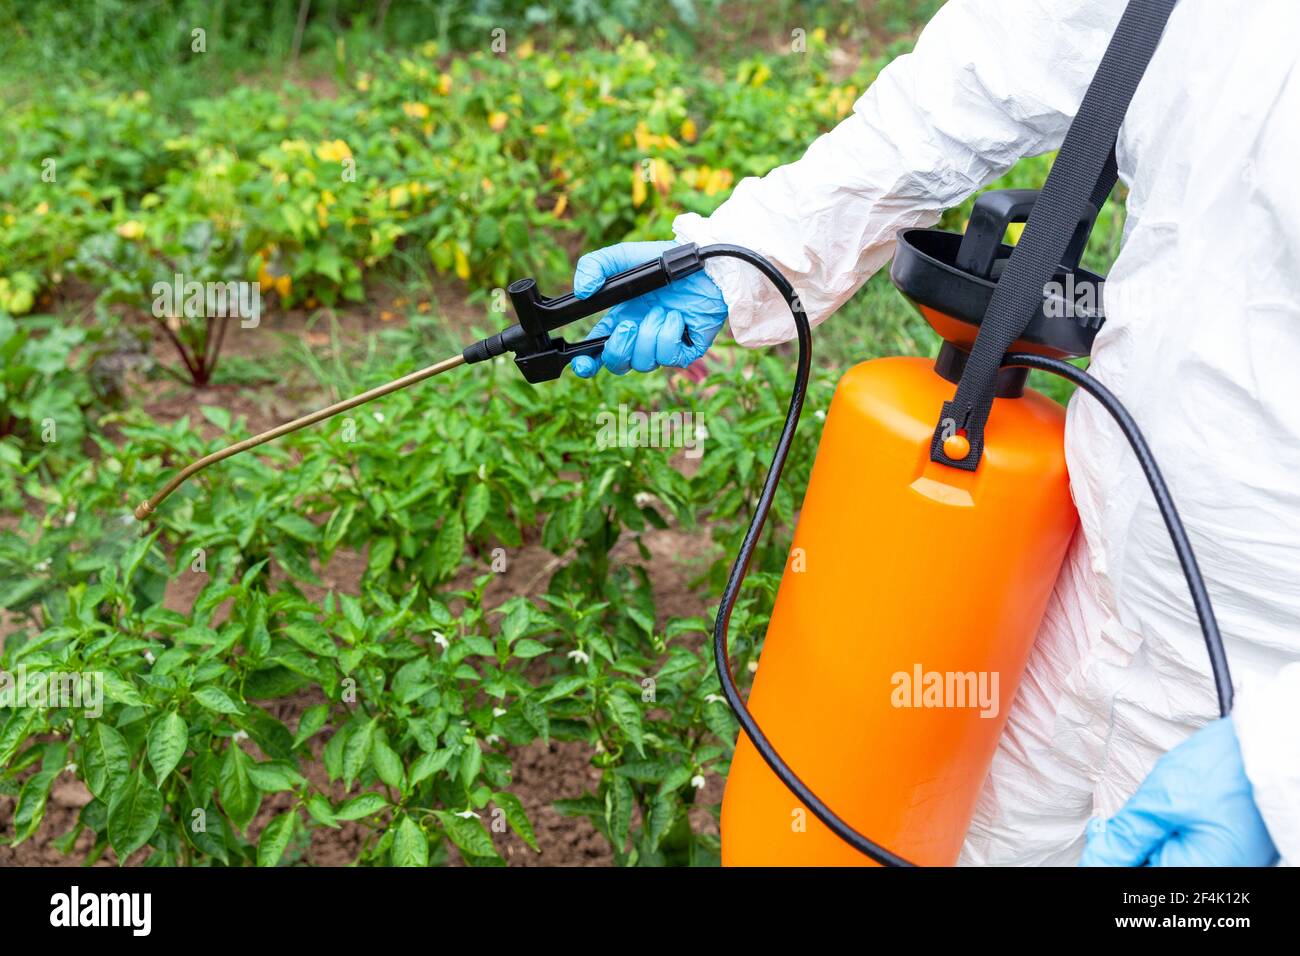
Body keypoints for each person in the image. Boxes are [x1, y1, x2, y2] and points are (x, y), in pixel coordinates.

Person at [569, 0, 1300, 866]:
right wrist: (737, 258)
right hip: (1089, 572)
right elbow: (985, 71)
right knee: (969, 839)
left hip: (1259, 656)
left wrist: (1275, 760)